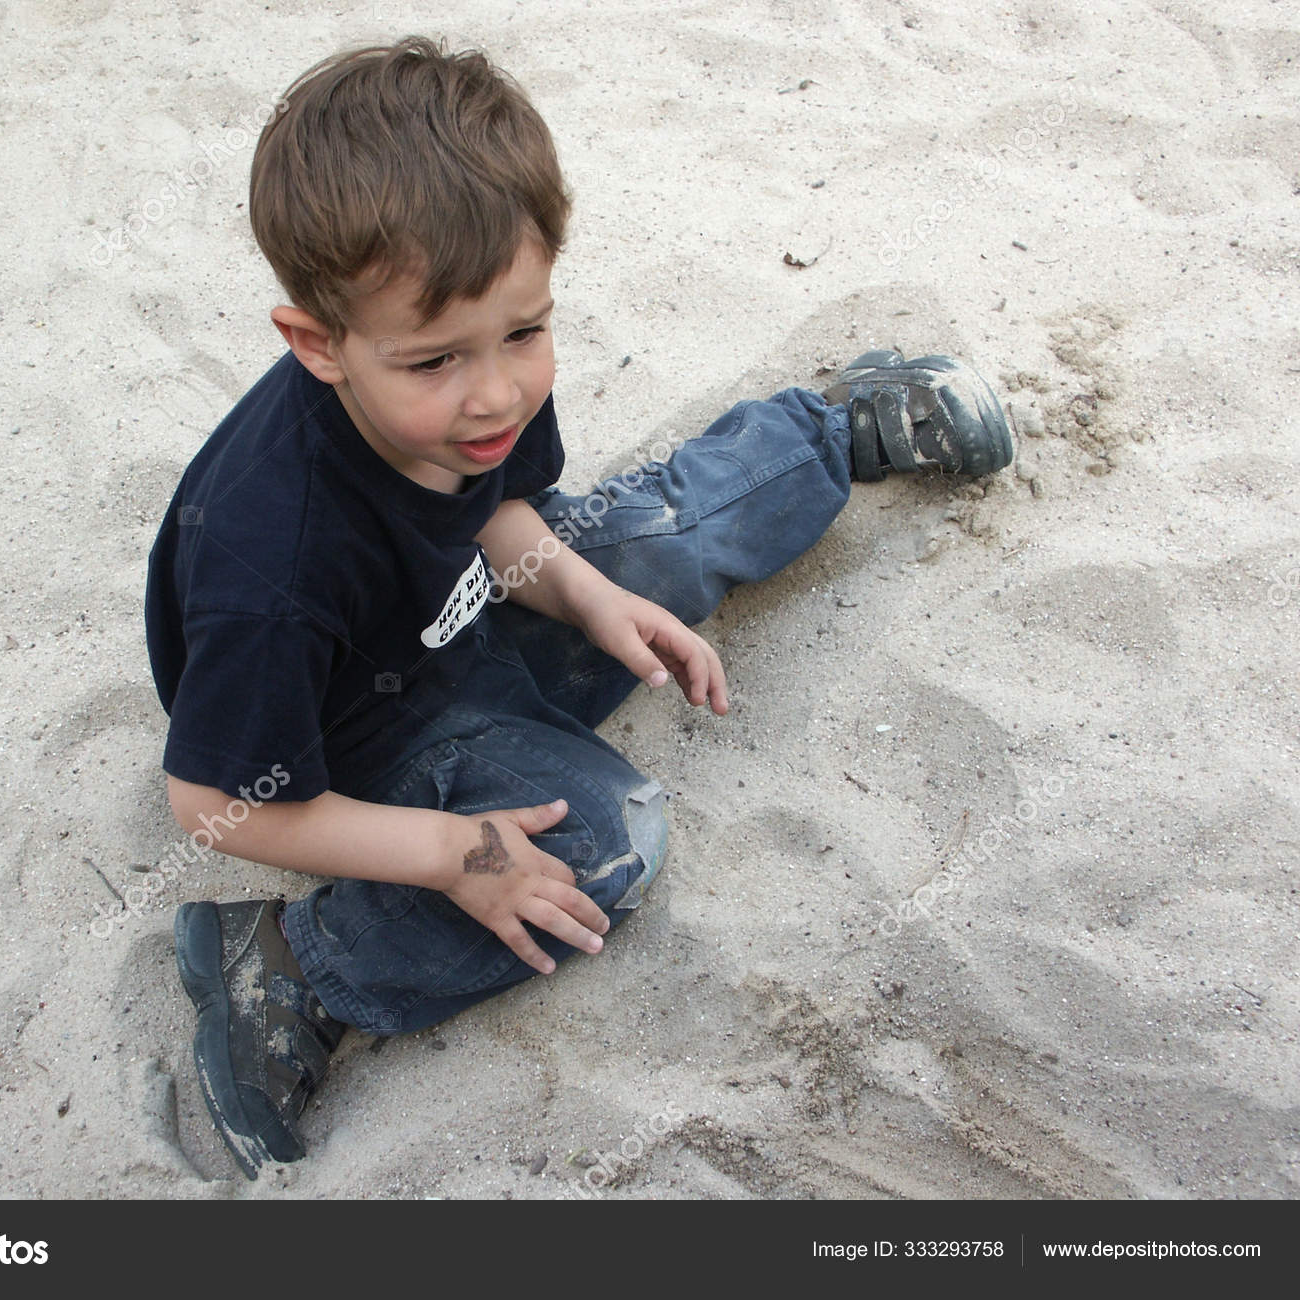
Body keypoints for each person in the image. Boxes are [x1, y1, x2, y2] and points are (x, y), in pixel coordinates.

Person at [143, 35, 1013, 1179]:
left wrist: (593, 597)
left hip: (465, 613)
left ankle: (832, 427)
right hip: (365, 738)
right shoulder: (276, 566)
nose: (494, 390)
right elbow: (212, 803)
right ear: (318, 344)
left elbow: (499, 511)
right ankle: (293, 964)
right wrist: (453, 850)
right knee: (610, 846)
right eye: (435, 360)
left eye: (524, 330)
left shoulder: (472, 409)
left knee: (649, 549)